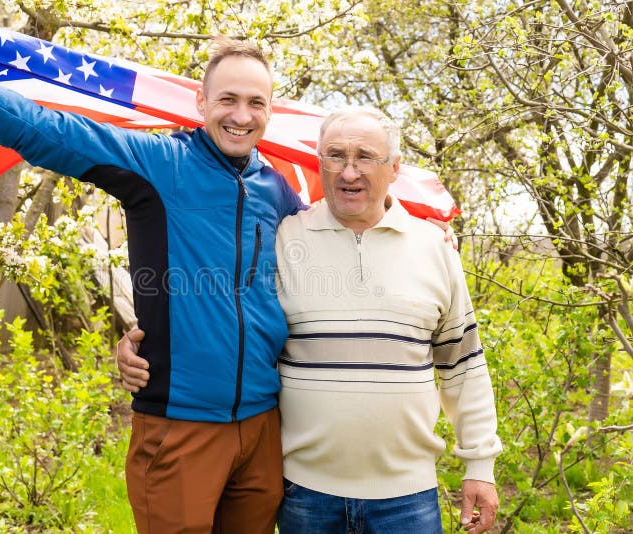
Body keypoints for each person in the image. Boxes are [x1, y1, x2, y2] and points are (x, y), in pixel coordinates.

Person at [0, 5, 299, 532]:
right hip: (180, 425)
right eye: (227, 99)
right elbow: (41, 128)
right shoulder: (158, 162)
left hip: (265, 427)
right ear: (200, 103)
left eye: (255, 103)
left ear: (270, 112)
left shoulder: (279, 192)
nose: (241, 115)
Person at [120, 106, 502, 534]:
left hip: (407, 500)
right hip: (305, 495)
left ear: (394, 168)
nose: (349, 172)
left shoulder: (434, 249)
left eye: (366, 157)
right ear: (320, 163)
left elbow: (464, 368)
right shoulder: (284, 237)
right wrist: (143, 342)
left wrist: (480, 465)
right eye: (335, 156)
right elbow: (220, 314)